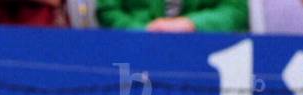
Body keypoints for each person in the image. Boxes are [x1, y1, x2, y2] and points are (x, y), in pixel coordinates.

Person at [96, 0, 247, 33]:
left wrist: (192, 23)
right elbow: (107, 11)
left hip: (199, 52)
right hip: (134, 53)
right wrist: (145, 31)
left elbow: (236, 11)